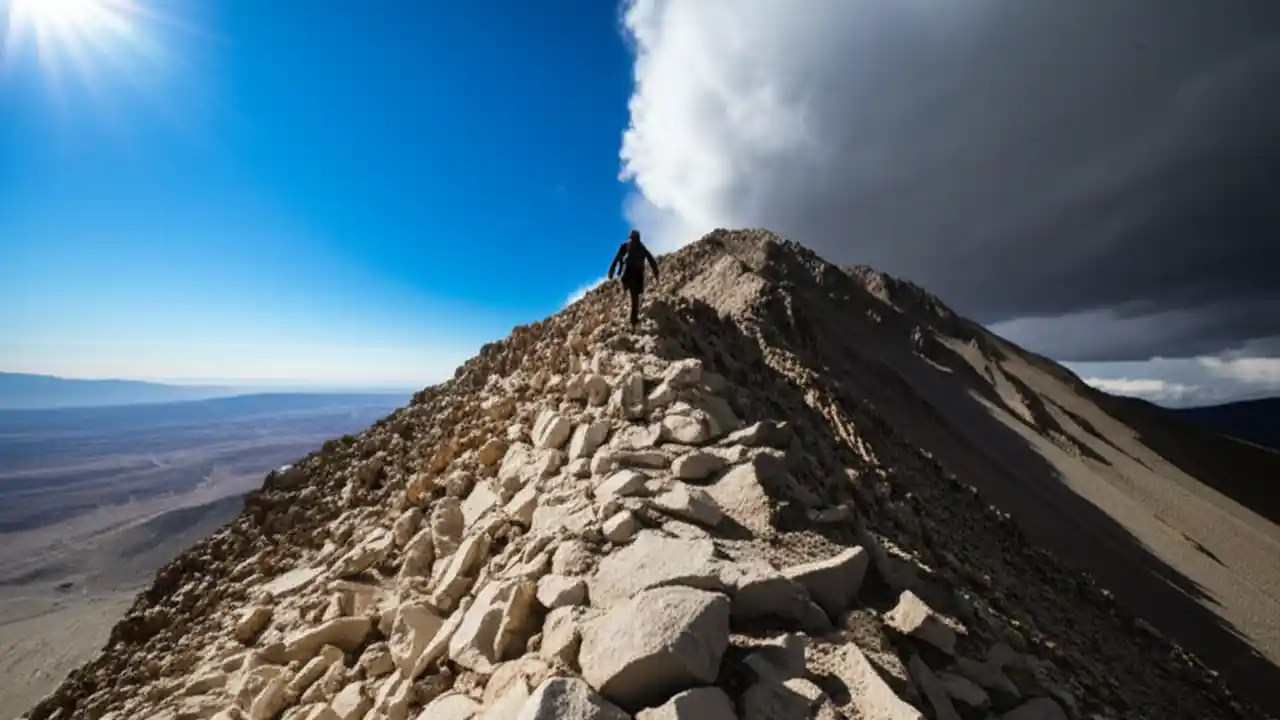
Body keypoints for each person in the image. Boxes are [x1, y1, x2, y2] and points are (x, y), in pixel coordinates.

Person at [608, 229, 659, 327]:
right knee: (634, 299)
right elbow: (652, 261)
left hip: (629, 274)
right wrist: (656, 274)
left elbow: (617, 258)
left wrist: (612, 270)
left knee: (632, 296)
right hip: (636, 275)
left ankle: (632, 320)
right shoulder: (640, 248)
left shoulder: (627, 246)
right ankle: (633, 321)